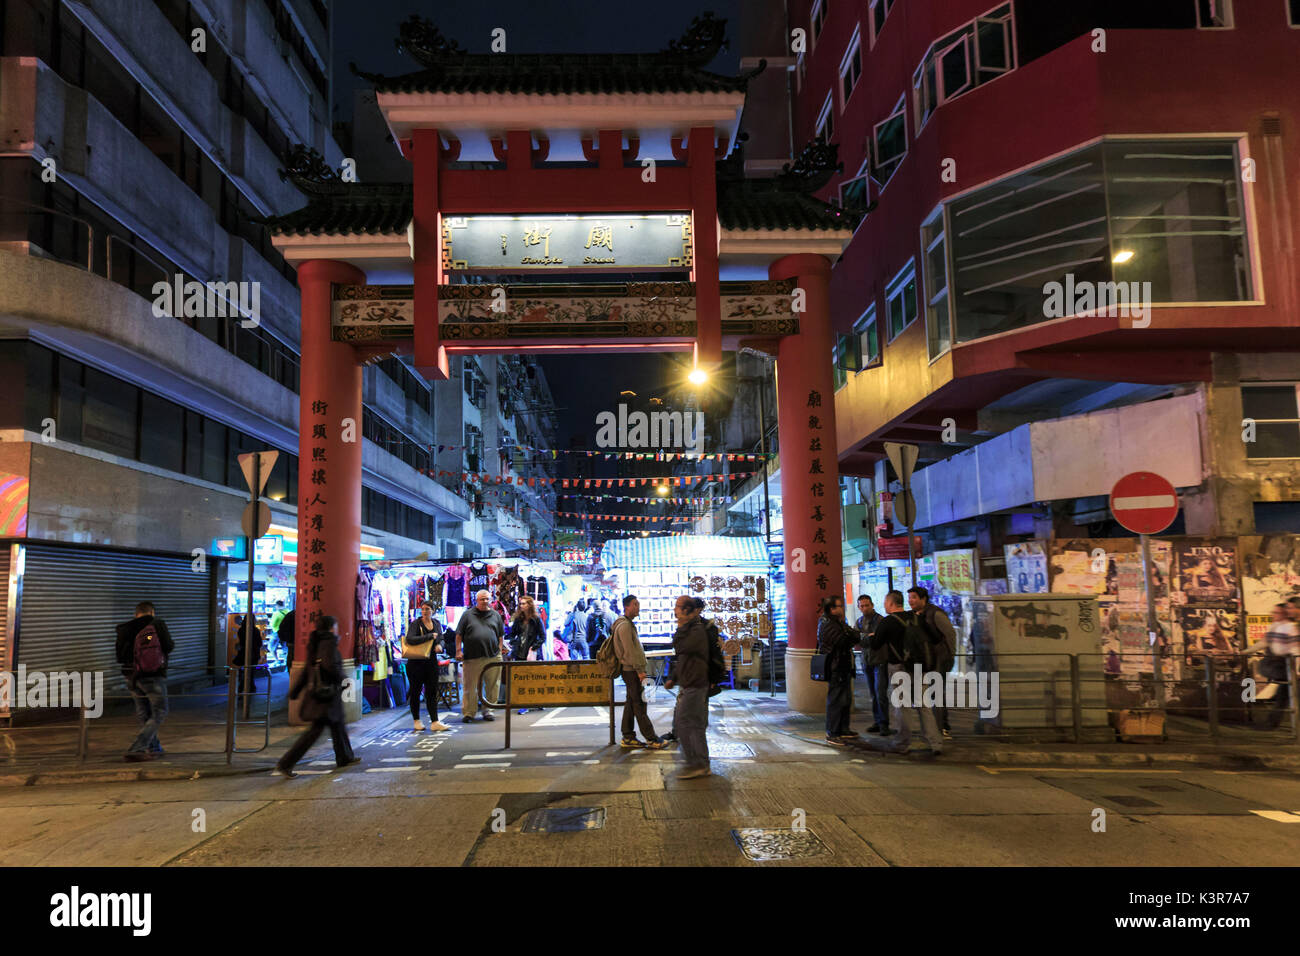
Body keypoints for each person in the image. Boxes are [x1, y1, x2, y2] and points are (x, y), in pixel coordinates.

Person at [275, 615, 361, 776]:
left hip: (323, 694)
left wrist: (295, 691)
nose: (337, 629)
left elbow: (307, 670)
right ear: (330, 628)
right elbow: (330, 666)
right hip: (326, 695)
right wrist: (343, 679)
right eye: (335, 626)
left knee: (338, 726)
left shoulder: (315, 644)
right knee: (315, 732)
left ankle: (345, 757)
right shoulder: (328, 643)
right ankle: (286, 763)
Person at [874, 590, 944, 756]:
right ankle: (935, 743)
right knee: (924, 706)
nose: (884, 606)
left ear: (891, 603)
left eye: (885, 603)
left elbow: (876, 644)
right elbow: (936, 638)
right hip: (920, 667)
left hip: (900, 668)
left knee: (903, 707)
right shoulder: (917, 617)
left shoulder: (887, 622)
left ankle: (902, 743)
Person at [115, 601, 175, 761]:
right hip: (152, 675)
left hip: (131, 677)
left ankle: (154, 748)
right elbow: (168, 646)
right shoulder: (157, 625)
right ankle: (138, 748)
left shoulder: (123, 629)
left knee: (144, 713)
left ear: (136, 614)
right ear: (152, 612)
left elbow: (119, 657)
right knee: (160, 711)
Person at [611, 594, 667, 749]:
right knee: (640, 705)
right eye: (635, 604)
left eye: (638, 604)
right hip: (631, 670)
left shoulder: (626, 624)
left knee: (631, 703)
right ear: (626, 606)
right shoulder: (625, 626)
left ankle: (628, 736)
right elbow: (630, 651)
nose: (638, 607)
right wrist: (640, 670)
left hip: (630, 670)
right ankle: (651, 738)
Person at [665, 595, 711, 778]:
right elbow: (683, 657)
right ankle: (700, 763)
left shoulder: (696, 630)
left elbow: (680, 647)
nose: (675, 610)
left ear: (687, 611)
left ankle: (697, 763)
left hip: (695, 684)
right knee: (693, 725)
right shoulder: (691, 628)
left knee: (685, 724)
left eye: (678, 607)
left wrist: (681, 626)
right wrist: (674, 677)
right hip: (689, 683)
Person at [908, 586, 956, 738]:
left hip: (940, 660)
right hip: (925, 661)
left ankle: (942, 726)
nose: (911, 600)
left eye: (914, 597)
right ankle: (933, 727)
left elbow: (950, 635)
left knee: (936, 693)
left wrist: (949, 657)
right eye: (909, 597)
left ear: (923, 599)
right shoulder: (914, 615)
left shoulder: (935, 613)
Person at [455, 590, 507, 722]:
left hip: (493, 656)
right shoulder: (467, 615)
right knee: (470, 686)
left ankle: (488, 710)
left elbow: (500, 636)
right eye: (482, 599)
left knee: (493, 685)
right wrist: (458, 651)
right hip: (472, 657)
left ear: (490, 600)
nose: (485, 601)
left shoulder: (495, 615)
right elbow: (459, 635)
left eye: (487, 599)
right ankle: (469, 713)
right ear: (476, 600)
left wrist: (499, 650)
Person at [1247, 603, 1299, 728]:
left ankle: (1272, 724)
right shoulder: (1282, 626)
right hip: (1288, 666)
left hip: (1291, 666)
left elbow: (1296, 650)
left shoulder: (1292, 626)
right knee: (1284, 693)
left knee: (1285, 693)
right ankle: (1272, 723)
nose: (1289, 610)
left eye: (1291, 608)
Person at [817, 596, 859, 745]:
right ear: (832, 609)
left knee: (845, 699)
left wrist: (852, 636)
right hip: (836, 667)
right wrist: (851, 637)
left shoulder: (838, 622)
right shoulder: (827, 623)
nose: (842, 608)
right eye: (839, 606)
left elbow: (854, 635)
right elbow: (842, 641)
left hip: (843, 665)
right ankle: (833, 733)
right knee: (836, 700)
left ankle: (843, 729)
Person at [405, 601, 450, 732]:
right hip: (416, 663)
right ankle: (416, 720)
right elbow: (410, 639)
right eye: (423, 609)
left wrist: (440, 645)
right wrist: (429, 636)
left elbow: (441, 638)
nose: (424, 611)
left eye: (428, 609)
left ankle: (435, 721)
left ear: (433, 610)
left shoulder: (436, 623)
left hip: (431, 662)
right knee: (416, 691)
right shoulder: (416, 624)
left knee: (431, 691)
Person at [855, 594, 888, 734]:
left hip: (880, 661)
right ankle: (877, 721)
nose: (864, 608)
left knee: (880, 693)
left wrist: (865, 638)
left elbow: (878, 640)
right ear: (858, 607)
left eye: (867, 605)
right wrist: (867, 637)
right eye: (862, 606)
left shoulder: (880, 620)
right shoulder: (859, 621)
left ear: (872, 605)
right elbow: (856, 639)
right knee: (873, 694)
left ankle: (884, 724)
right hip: (866, 661)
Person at [510, 597, 546, 714]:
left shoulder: (536, 619)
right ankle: (524, 704)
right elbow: (512, 634)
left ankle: (537, 701)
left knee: (534, 679)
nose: (521, 606)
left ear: (530, 605)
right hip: (520, 653)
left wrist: (534, 647)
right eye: (520, 603)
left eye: (524, 603)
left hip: (532, 654)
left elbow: (543, 637)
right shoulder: (518, 620)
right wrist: (513, 642)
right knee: (521, 680)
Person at [232, 614, 264, 697]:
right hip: (253, 654)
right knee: (250, 671)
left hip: (243, 653)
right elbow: (259, 643)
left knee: (246, 671)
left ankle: (250, 687)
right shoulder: (255, 630)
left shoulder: (241, 630)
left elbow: (241, 642)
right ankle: (243, 688)